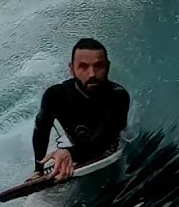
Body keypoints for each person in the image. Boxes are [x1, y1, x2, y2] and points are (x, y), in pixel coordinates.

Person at [30, 38, 131, 183]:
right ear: (72, 69)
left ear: (107, 66)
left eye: (98, 66)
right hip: (78, 148)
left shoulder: (118, 96)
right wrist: (38, 169)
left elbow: (102, 142)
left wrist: (70, 153)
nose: (92, 74)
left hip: (109, 148)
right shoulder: (55, 95)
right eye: (83, 67)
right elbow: (41, 130)